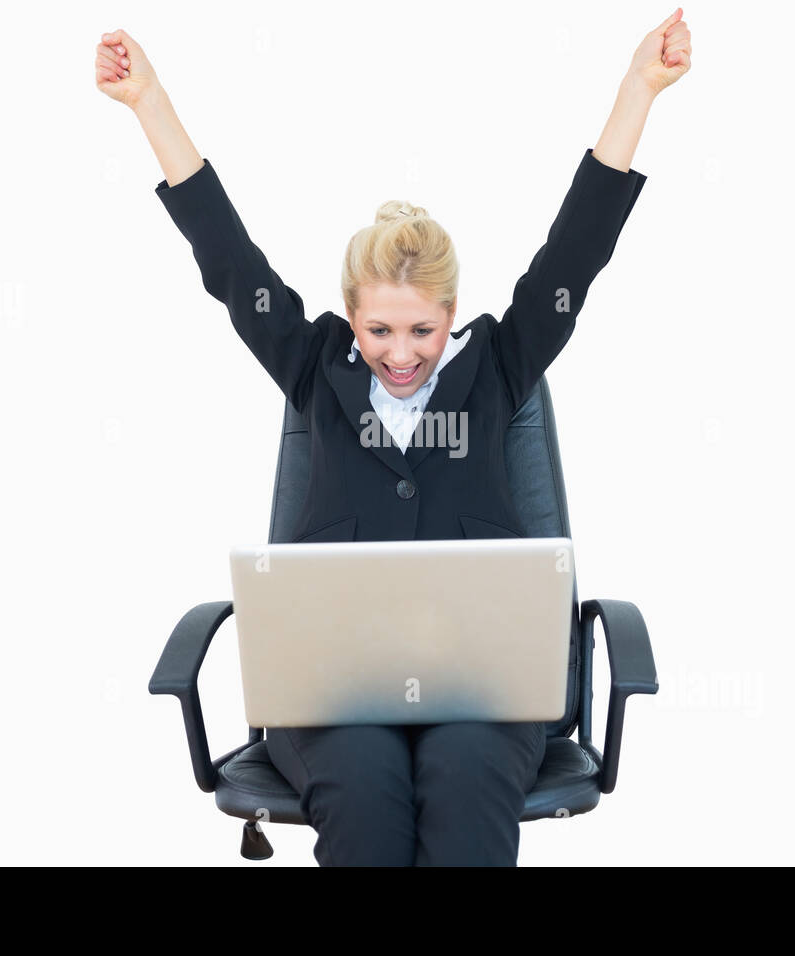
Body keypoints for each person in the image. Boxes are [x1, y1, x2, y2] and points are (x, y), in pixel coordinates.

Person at [95, 11, 691, 866]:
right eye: (379, 332)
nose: (400, 355)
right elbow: (230, 263)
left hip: (484, 701)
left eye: (421, 332)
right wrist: (148, 102)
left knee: (463, 775)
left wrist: (639, 90)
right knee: (368, 787)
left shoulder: (500, 367)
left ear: (452, 318)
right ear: (350, 318)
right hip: (333, 705)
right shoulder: (311, 368)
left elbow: (574, 255)